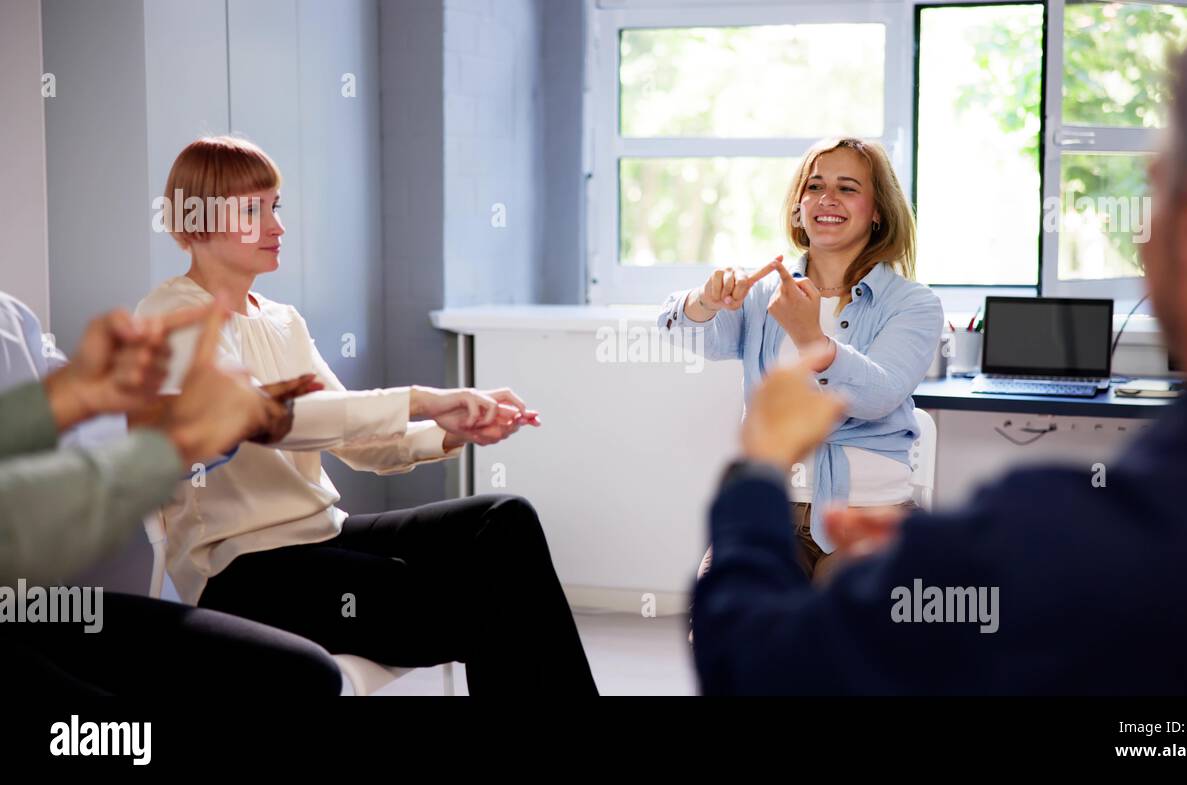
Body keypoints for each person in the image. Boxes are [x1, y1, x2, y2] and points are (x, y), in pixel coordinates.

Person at [691, 2, 1187, 695]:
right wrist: (700, 302)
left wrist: (759, 468)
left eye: (1154, 194)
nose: (1139, 234)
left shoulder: (1045, 541)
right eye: (815, 187)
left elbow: (751, 658)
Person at [136, 136, 597, 695]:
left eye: (274, 206)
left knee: (504, 520)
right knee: (487, 596)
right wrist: (424, 398)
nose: (277, 226)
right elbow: (278, 419)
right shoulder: (172, 316)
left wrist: (447, 432)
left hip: (323, 536)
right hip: (244, 571)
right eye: (253, 210)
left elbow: (355, 441)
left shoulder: (283, 320)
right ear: (200, 221)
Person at [0, 294, 342, 695]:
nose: (275, 229)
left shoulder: (11, 315)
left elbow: (73, 431)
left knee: (301, 673)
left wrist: (221, 416)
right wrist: (173, 445)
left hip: (37, 608)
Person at [659, 138, 943, 584]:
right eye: (815, 186)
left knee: (840, 639)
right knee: (731, 625)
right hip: (773, 510)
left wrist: (811, 337)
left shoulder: (913, 303)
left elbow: (880, 395)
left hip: (868, 514)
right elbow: (685, 330)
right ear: (799, 207)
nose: (827, 199)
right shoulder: (764, 292)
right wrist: (704, 300)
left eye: (848, 188)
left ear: (877, 211)